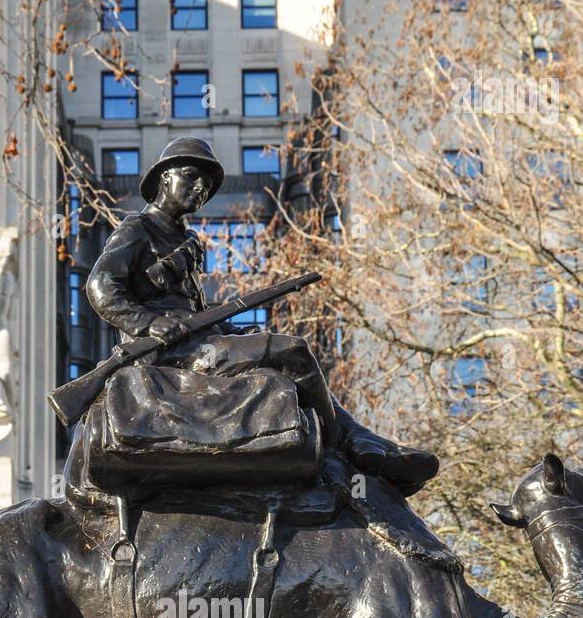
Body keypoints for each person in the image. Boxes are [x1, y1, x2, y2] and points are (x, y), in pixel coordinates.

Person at [84, 136, 439, 497]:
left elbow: (195, 313)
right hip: (165, 350)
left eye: (205, 186)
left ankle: (363, 441)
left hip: (195, 342)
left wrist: (233, 330)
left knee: (279, 355)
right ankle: (342, 451)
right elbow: (101, 286)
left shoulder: (185, 240)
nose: (199, 189)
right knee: (294, 351)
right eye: (191, 177)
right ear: (164, 178)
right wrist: (149, 324)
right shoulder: (137, 229)